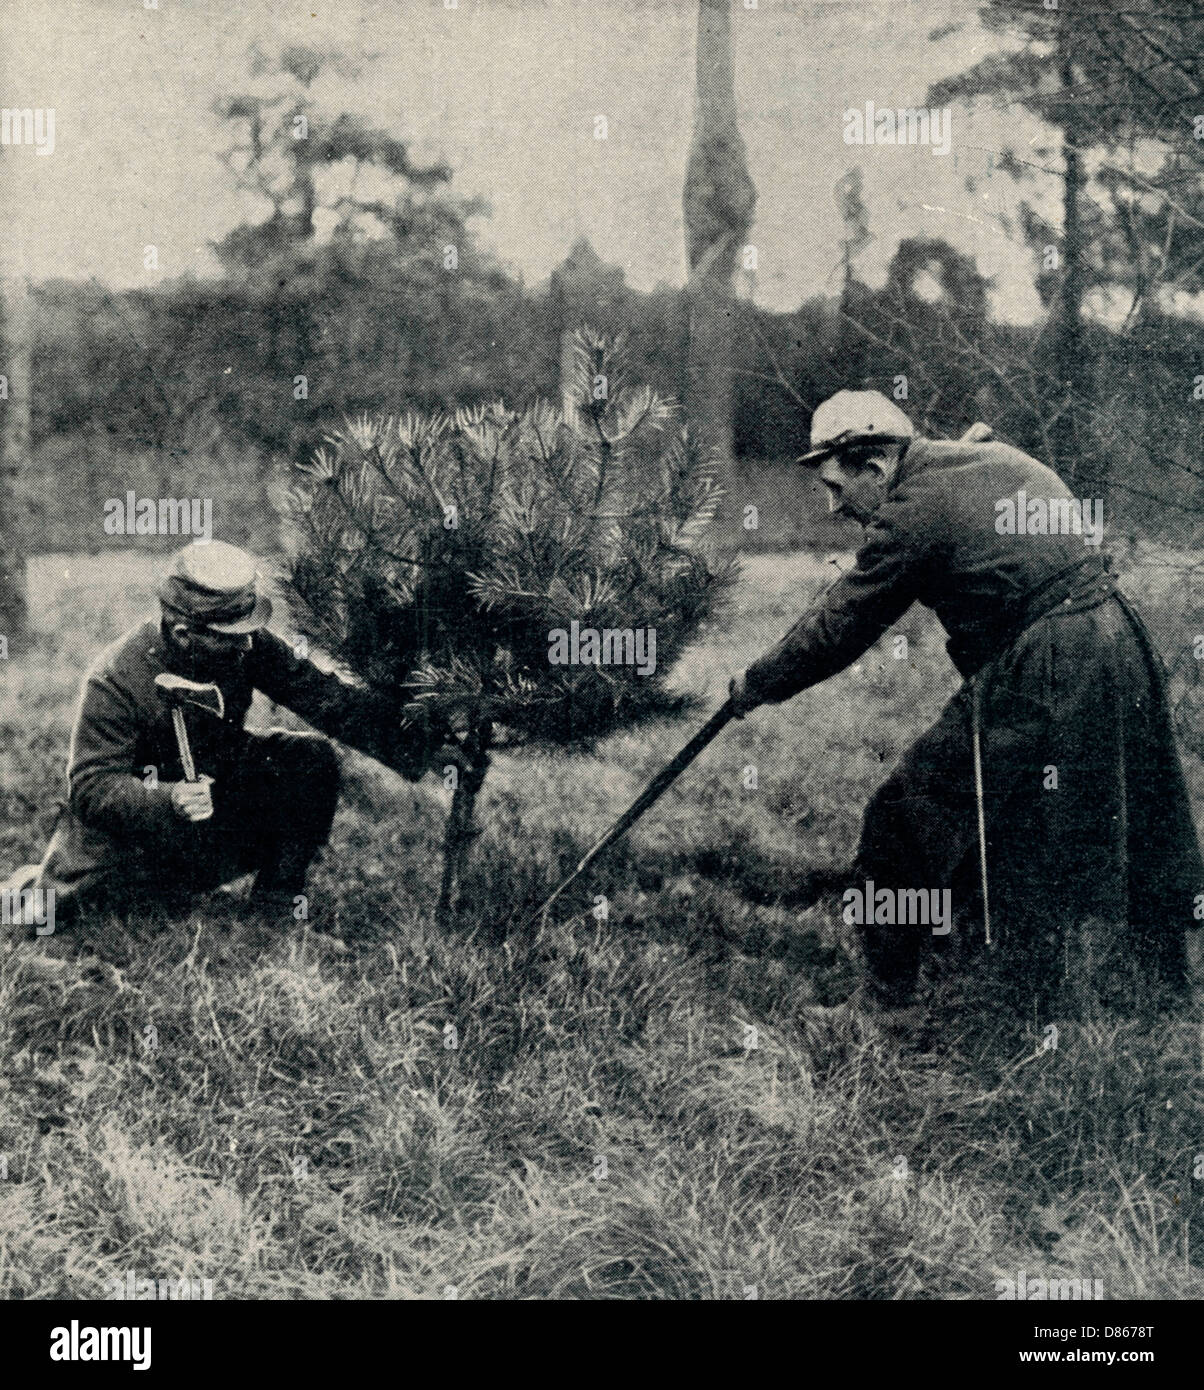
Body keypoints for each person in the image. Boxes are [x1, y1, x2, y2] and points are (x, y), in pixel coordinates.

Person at [728, 391, 1203, 1015]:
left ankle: (885, 1003)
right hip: (1118, 636)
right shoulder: (988, 459)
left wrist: (759, 682)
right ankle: (1159, 985)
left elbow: (841, 622)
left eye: (836, 485)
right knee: (1133, 805)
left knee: (905, 818)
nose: (833, 505)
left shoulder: (915, 508)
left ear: (874, 465)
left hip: (1046, 657)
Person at [19, 540, 463, 924]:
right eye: (232, 634)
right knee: (78, 908)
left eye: (250, 629)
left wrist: (422, 747)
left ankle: (274, 907)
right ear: (183, 632)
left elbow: (324, 698)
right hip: (139, 842)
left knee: (309, 758)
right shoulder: (114, 679)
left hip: (212, 818)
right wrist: (167, 797)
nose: (249, 643)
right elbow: (91, 787)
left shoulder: (245, 647)